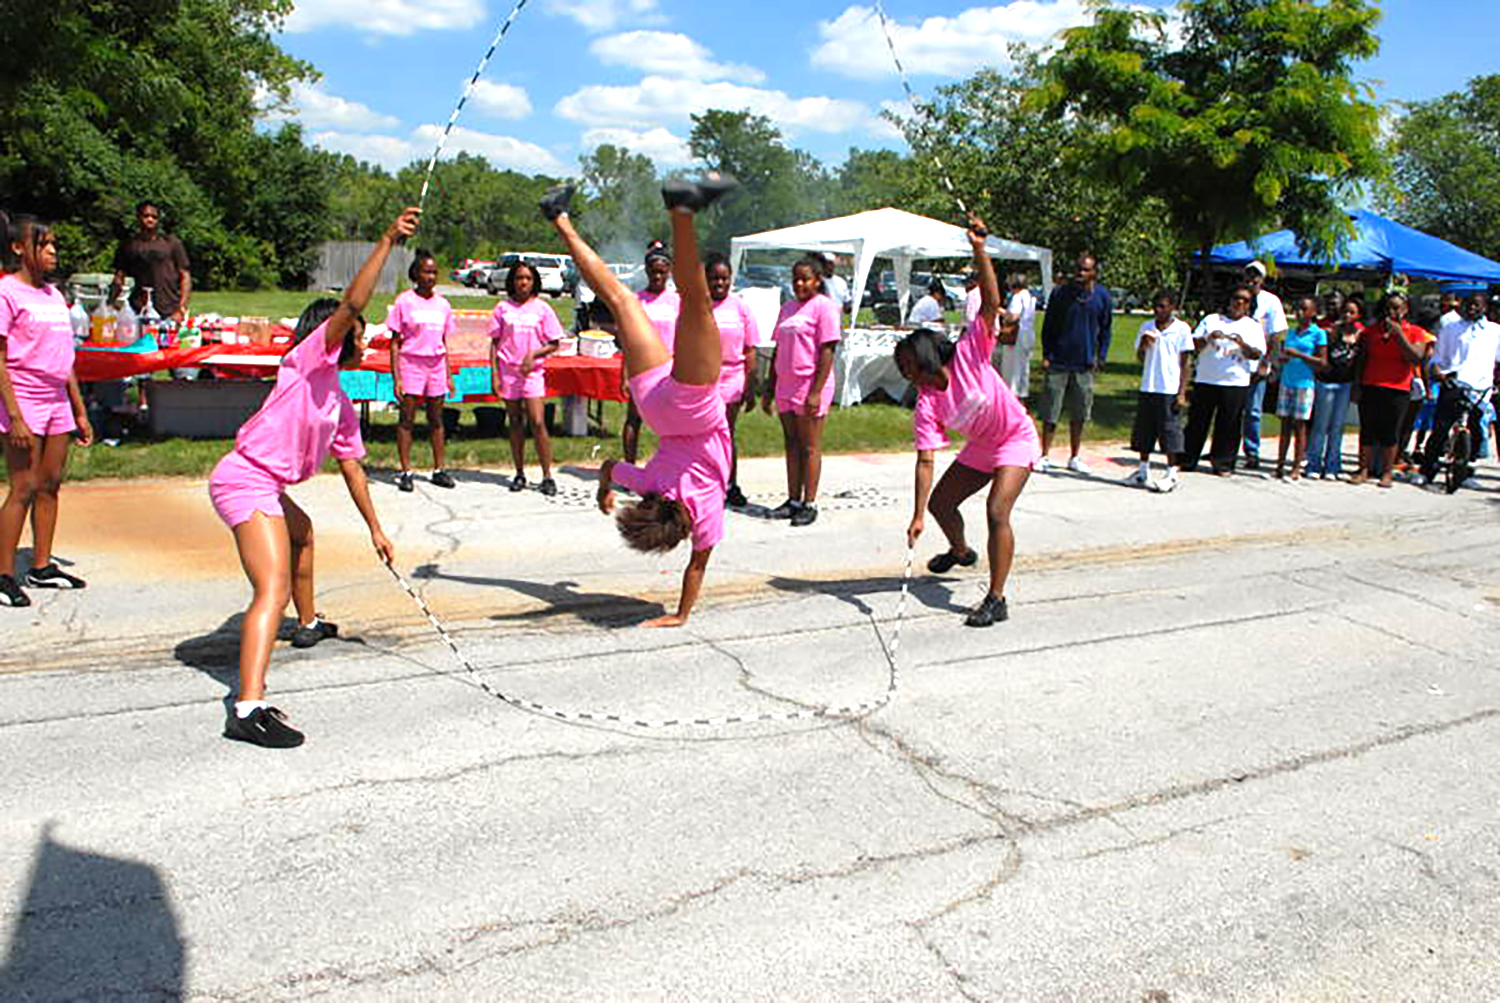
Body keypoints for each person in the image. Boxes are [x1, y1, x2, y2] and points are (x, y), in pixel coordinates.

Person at [207, 208, 414, 748]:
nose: (364, 342)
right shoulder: (306, 363)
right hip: (243, 479)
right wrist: (388, 238)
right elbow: (352, 304)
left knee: (302, 535)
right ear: (334, 337)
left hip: (267, 486)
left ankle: (309, 622)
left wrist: (376, 529)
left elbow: (353, 467)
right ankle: (248, 708)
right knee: (268, 591)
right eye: (359, 337)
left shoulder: (340, 401)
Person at [546, 176, 736, 628]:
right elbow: (611, 464)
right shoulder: (649, 482)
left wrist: (680, 615)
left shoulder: (705, 516)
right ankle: (559, 218)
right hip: (654, 406)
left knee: (697, 304)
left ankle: (682, 212)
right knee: (619, 297)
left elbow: (697, 566)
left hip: (692, 408)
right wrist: (604, 490)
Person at [897, 213, 1038, 628]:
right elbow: (926, 460)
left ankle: (996, 598)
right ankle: (960, 551)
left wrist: (980, 249)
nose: (904, 372)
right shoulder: (926, 401)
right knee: (943, 503)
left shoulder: (969, 352)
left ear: (925, 357)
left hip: (1015, 437)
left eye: (907, 364)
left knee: (997, 511)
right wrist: (919, 514)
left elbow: (992, 304)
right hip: (982, 445)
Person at [0, 212, 93, 609]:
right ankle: (4, 574)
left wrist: (80, 410)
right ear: (20, 248)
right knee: (22, 486)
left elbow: (64, 357)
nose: (53, 251)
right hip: (23, 400)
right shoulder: (6, 293)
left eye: (55, 244)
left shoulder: (55, 295)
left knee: (50, 484)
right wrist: (16, 416)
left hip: (58, 402)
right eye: (44, 244)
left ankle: (41, 565)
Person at [763, 256, 841, 526]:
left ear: (817, 281)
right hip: (786, 384)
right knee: (791, 443)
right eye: (795, 278)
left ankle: (810, 502)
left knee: (809, 446)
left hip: (810, 383)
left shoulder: (824, 308)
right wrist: (769, 384)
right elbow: (777, 350)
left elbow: (828, 350)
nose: (799, 284)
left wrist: (816, 391)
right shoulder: (787, 308)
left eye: (805, 279)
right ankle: (793, 499)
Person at [489, 260, 563, 496]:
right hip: (509, 371)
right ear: (512, 281)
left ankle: (547, 475)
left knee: (537, 421)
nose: (523, 283)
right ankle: (519, 472)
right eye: (519, 278)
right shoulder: (503, 308)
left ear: (534, 282)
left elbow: (554, 343)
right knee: (515, 422)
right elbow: (494, 342)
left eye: (528, 278)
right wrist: (495, 374)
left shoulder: (542, 309)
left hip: (532, 372)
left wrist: (534, 354)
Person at [386, 249, 456, 492]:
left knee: (436, 419)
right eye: (426, 272)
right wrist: (397, 378)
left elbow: (444, 342)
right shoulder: (404, 301)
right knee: (407, 419)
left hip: (435, 364)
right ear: (416, 274)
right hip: (411, 364)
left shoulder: (443, 305)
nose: (431, 277)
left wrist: (447, 373)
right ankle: (406, 471)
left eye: (434, 272)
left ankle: (439, 469)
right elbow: (395, 342)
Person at [1180, 285, 1266, 476]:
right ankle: (1187, 459)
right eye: (1236, 298)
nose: (1239, 303)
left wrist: (1241, 343)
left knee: (1229, 424)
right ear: (1229, 300)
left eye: (1245, 300)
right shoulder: (1212, 320)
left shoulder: (1252, 326)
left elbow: (1257, 353)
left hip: (1235, 381)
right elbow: (1193, 344)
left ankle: (1223, 463)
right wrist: (1209, 337)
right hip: (1207, 378)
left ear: (1249, 306)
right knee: (1197, 421)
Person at [1037, 253, 1112, 473]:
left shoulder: (1102, 297)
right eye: (1079, 269)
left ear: (1094, 273)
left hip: (1085, 363)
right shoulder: (1061, 294)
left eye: (1086, 270)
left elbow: (1106, 329)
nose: (1080, 273)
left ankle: (1075, 456)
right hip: (1059, 360)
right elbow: (1048, 326)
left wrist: (1101, 356)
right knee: (1051, 411)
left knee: (1079, 413)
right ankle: (1045, 455)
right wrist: (1047, 354)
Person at [1417, 292, 1500, 488]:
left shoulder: (1494, 331)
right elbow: (1438, 358)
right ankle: (1427, 470)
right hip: (1454, 384)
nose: (1472, 308)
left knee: (1476, 432)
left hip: (1480, 388)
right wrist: (1439, 373)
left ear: (1485, 308)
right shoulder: (1451, 329)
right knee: (1440, 429)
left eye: (1477, 305)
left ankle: (1467, 472)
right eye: (1469, 304)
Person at [1351, 292, 1425, 488]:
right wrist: (1357, 385)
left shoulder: (1415, 332)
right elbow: (1362, 359)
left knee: (1391, 432)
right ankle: (1363, 468)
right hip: (1371, 384)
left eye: (1396, 307)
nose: (1391, 311)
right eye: (1388, 307)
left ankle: (1386, 472)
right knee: (1367, 429)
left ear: (1406, 310)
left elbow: (1416, 357)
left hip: (1398, 387)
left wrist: (1399, 334)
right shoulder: (1370, 332)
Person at [705, 252, 760, 509]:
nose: (719, 283)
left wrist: (751, 385)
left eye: (724, 279)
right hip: (705, 380)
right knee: (704, 434)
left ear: (730, 280)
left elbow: (750, 349)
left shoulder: (741, 307)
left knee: (726, 432)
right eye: (714, 278)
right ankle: (706, 483)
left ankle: (730, 484)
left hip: (733, 377)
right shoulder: (698, 306)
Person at [1127, 290, 1194, 493]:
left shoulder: (1181, 329)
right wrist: (1144, 346)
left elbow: (1185, 364)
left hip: (1169, 387)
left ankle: (1171, 472)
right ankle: (1142, 470)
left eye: (1163, 306)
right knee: (1145, 430)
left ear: (1172, 307)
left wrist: (1181, 392)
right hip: (1149, 385)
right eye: (1156, 306)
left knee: (1170, 431)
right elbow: (1139, 357)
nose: (1158, 310)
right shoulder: (1146, 327)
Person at [620, 242, 679, 465]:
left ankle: (668, 466)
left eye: (662, 272)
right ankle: (630, 466)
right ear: (646, 271)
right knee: (634, 418)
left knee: (671, 423)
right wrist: (624, 374)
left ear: (669, 272)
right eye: (653, 272)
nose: (657, 276)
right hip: (641, 369)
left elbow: (683, 338)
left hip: (669, 369)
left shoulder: (676, 301)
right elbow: (628, 340)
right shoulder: (636, 301)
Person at [1305, 295, 1364, 479]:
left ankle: (1332, 465)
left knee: (1337, 426)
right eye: (1345, 311)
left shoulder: (1360, 335)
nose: (1348, 315)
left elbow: (1360, 362)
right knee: (1321, 424)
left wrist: (1357, 384)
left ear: (1358, 315)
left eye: (1352, 312)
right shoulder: (1331, 331)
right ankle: (1314, 463)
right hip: (1326, 382)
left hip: (1345, 384)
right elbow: (1321, 354)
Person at [1239, 260, 1288, 470]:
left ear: (1262, 279)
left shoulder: (1271, 302)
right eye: (1248, 276)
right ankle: (1225, 448)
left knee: (1253, 410)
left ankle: (1252, 452)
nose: (1252, 280)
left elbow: (1277, 335)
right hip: (1235, 364)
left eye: (1256, 276)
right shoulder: (1238, 298)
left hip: (1258, 363)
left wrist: (1268, 363)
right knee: (1231, 409)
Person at [1273, 296, 1328, 481]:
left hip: (1304, 384)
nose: (1299, 313)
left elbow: (1322, 363)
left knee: (1299, 426)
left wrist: (1299, 355)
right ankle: (1280, 464)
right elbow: (1284, 353)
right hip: (1287, 381)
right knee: (1285, 425)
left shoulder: (1318, 333)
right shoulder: (1290, 333)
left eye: (1304, 309)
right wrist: (1284, 358)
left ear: (1313, 312)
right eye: (1297, 309)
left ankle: (1297, 466)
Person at [108, 200, 191, 323]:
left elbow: (185, 276)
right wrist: (109, 304)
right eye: (146, 216)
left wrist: (181, 308)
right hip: (138, 310)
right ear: (138, 217)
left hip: (169, 310)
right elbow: (119, 278)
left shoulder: (171, 243)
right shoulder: (129, 245)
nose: (150, 220)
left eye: (154, 217)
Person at [998, 273, 1037, 400]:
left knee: (1012, 370)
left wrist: (999, 311)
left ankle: (1012, 398)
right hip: (1027, 335)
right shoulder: (1030, 297)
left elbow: (1013, 316)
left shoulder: (1017, 297)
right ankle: (1022, 396)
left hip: (1016, 337)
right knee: (1023, 369)